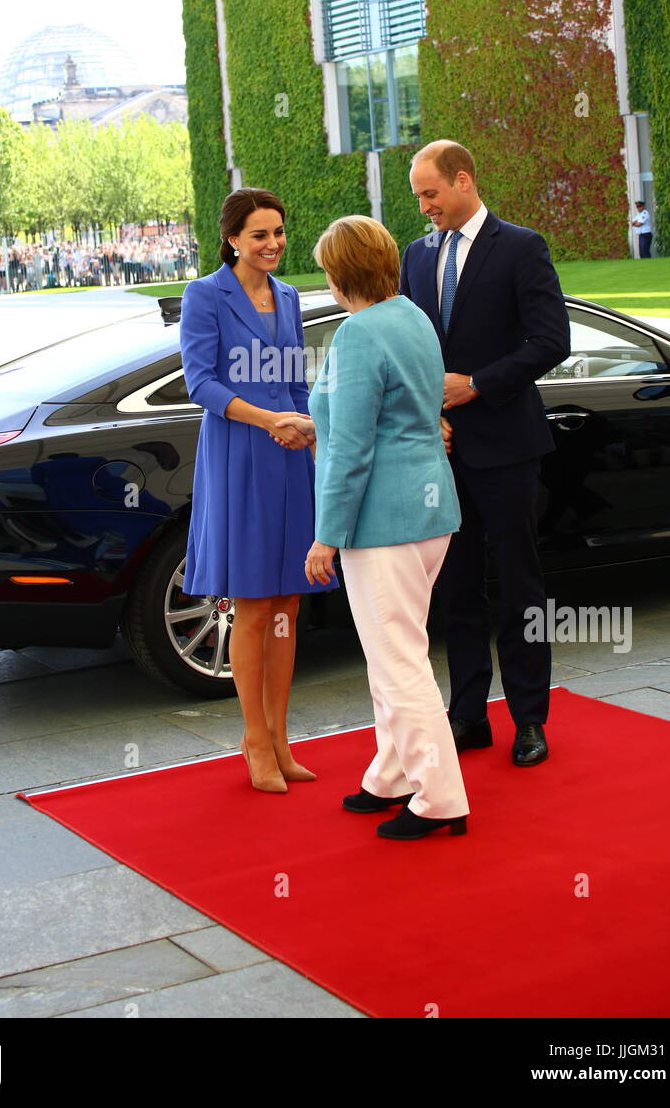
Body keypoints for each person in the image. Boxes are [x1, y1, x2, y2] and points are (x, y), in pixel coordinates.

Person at [276, 215, 469, 841]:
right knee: (394, 653)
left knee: (397, 662)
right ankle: (391, 772)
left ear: (337, 275)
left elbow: (356, 448)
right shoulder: (413, 316)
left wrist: (325, 535)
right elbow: (400, 412)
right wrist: (320, 429)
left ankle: (440, 796)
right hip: (427, 509)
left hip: (381, 521)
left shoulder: (358, 334)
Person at [401, 140, 570, 766]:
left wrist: (476, 384)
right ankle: (467, 715)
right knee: (456, 587)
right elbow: (409, 346)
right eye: (419, 196)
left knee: (520, 585)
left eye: (430, 194)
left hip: (507, 446)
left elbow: (552, 339)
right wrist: (429, 411)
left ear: (463, 180)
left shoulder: (521, 248)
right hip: (436, 451)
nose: (423, 208)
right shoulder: (416, 257)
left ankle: (531, 719)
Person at [179, 187, 335, 794]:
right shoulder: (204, 295)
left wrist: (310, 435)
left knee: (290, 602)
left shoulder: (291, 297)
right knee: (253, 604)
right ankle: (253, 740)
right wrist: (271, 421)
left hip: (290, 457)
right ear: (233, 239)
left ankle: (280, 738)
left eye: (278, 232)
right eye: (260, 235)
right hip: (239, 455)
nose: (273, 244)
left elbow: (294, 380)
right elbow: (202, 384)